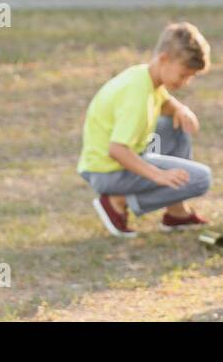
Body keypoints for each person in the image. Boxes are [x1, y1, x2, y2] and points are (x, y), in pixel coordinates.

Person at [77, 22, 214, 239]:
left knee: (174, 125)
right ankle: (116, 202)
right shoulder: (136, 97)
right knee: (200, 179)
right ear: (164, 59)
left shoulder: (144, 77)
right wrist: (158, 175)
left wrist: (181, 109)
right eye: (183, 75)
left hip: (105, 162)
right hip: (107, 170)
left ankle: (176, 213)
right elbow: (117, 149)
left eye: (190, 77)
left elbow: (165, 106)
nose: (186, 82)